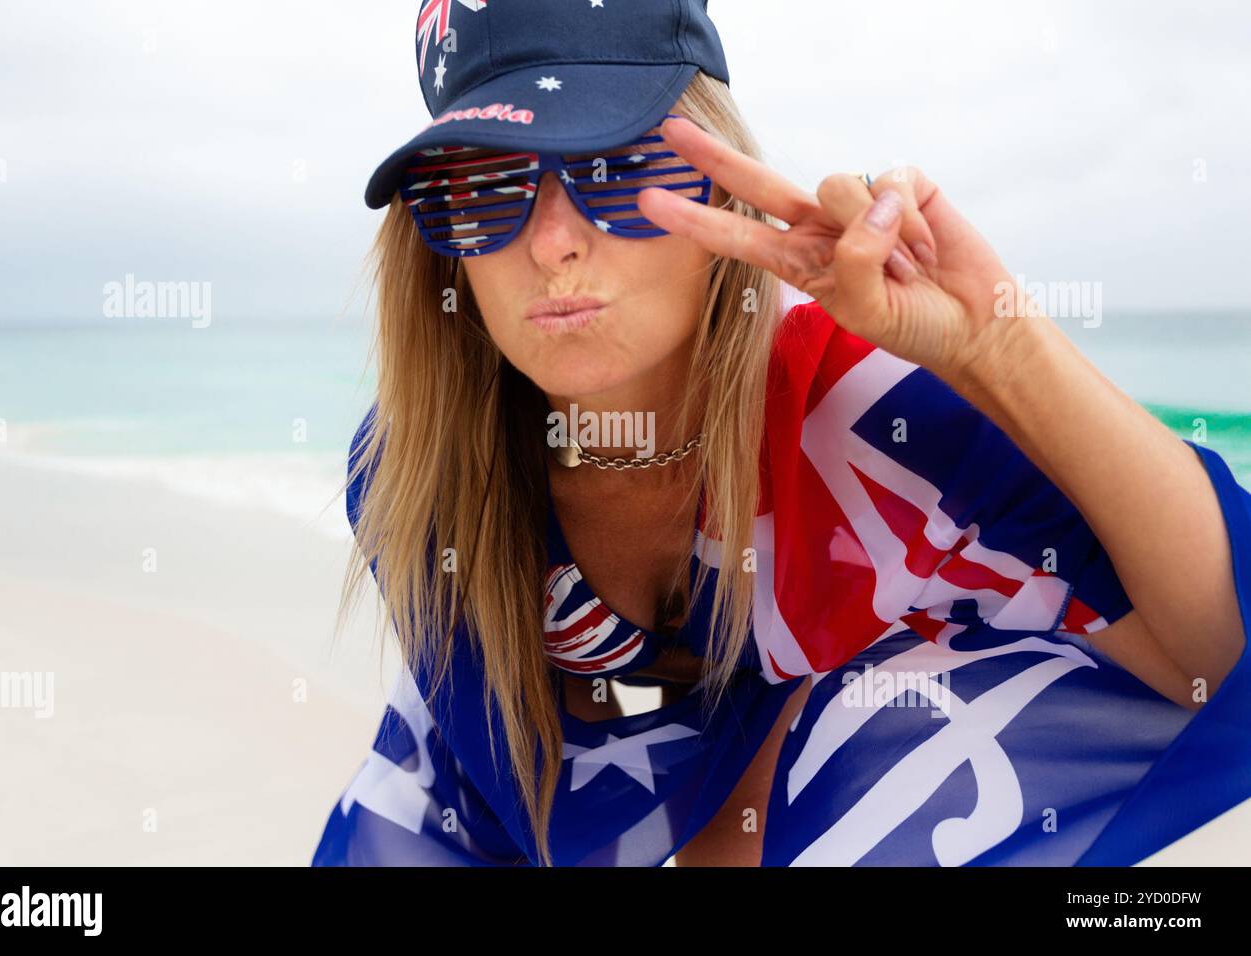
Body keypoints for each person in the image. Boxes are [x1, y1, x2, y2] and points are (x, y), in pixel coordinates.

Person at [313, 0, 1251, 867]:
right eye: (482, 185)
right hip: (514, 783)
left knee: (876, 749)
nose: (552, 242)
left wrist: (998, 352)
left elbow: (1217, 662)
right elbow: (536, 803)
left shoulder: (868, 415)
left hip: (835, 716)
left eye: (614, 165)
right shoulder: (415, 473)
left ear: (720, 184)